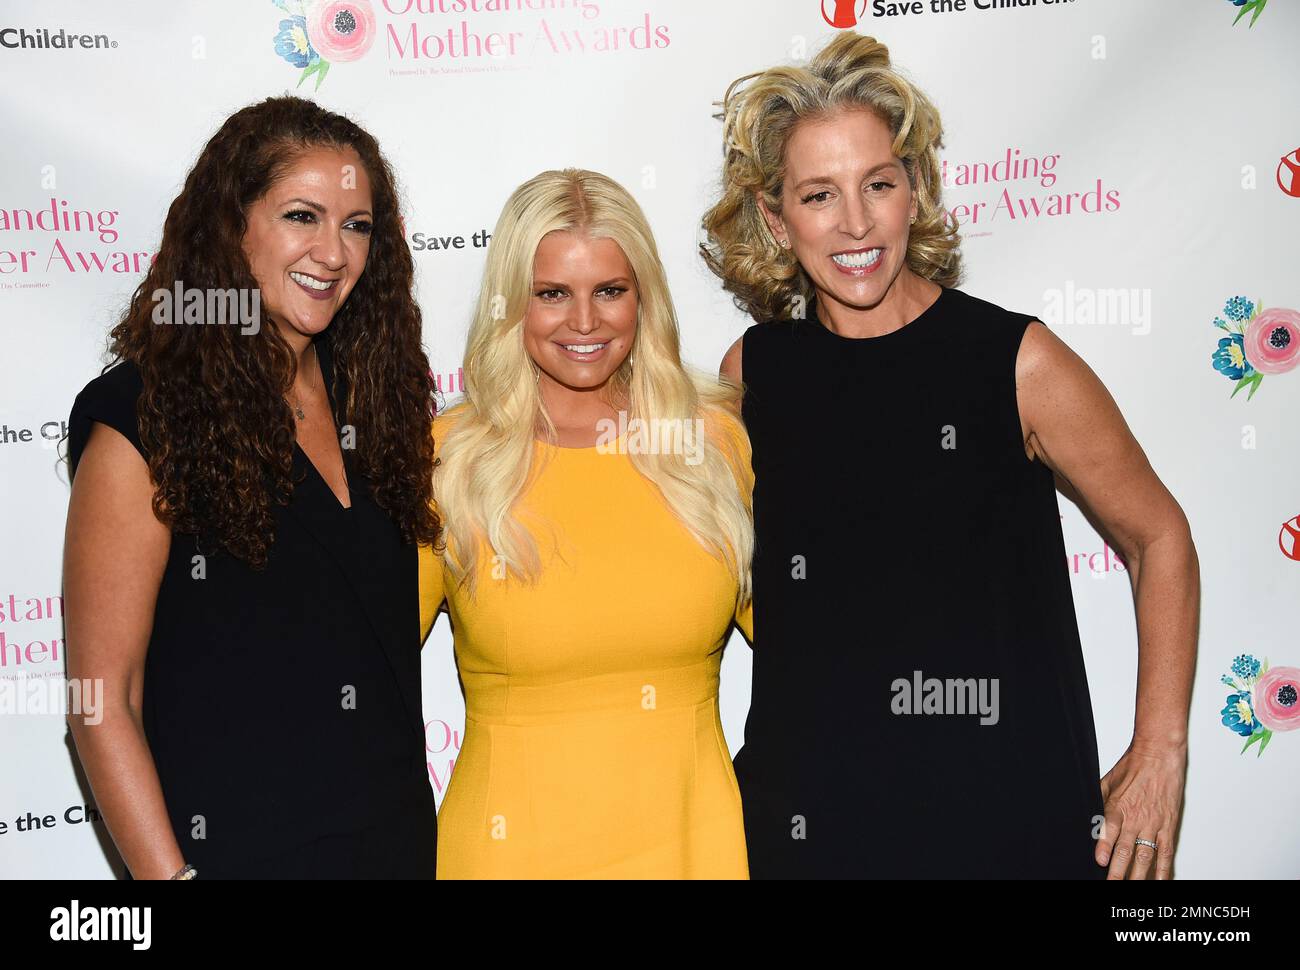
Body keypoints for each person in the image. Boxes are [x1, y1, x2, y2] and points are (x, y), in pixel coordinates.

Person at [701, 32, 1199, 879]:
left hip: (1009, 819)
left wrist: (1160, 752)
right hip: (813, 824)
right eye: (820, 195)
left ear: (918, 191)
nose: (855, 222)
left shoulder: (1017, 362)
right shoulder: (755, 375)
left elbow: (1162, 538)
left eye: (879, 184)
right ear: (779, 221)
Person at [63, 95, 440, 879]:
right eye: (303, 216)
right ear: (232, 225)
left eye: (357, 224)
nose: (333, 253)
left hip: (397, 850)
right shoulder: (143, 415)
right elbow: (104, 702)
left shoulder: (377, 398)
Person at [420, 168, 754, 878]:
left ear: (645, 297)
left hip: (694, 850)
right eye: (552, 294)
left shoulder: (714, 443)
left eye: (609, 290)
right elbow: (361, 670)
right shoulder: (448, 459)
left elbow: (821, 654)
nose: (583, 321)